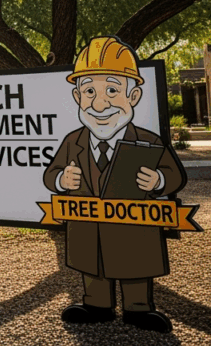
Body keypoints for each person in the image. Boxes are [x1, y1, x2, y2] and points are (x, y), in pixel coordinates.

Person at [43, 35, 185, 333]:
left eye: (111, 90)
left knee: (134, 266)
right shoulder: (73, 142)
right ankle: (96, 305)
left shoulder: (147, 141)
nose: (99, 102)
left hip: (134, 229)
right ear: (77, 97)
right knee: (92, 268)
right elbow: (50, 174)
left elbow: (174, 174)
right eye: (89, 91)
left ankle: (138, 309)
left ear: (132, 97)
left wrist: (158, 180)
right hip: (87, 229)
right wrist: (61, 179)